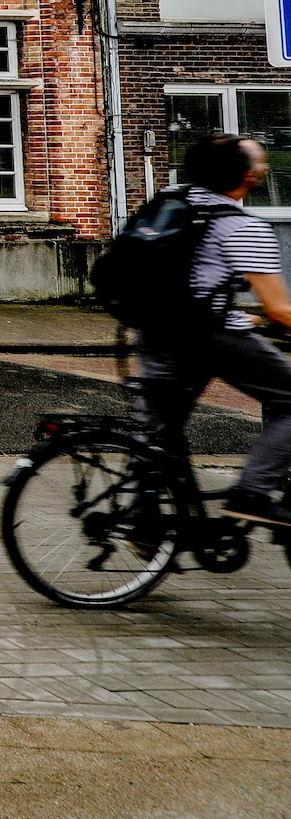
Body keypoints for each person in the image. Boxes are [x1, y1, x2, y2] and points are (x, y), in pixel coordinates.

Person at [143, 132, 291, 530]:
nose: (262, 169)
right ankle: (253, 493)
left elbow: (189, 275)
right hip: (207, 336)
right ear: (246, 177)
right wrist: (266, 317)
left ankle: (143, 516)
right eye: (259, 163)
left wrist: (246, 317)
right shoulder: (242, 226)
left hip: (155, 328)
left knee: (160, 429)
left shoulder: (170, 199)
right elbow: (280, 310)